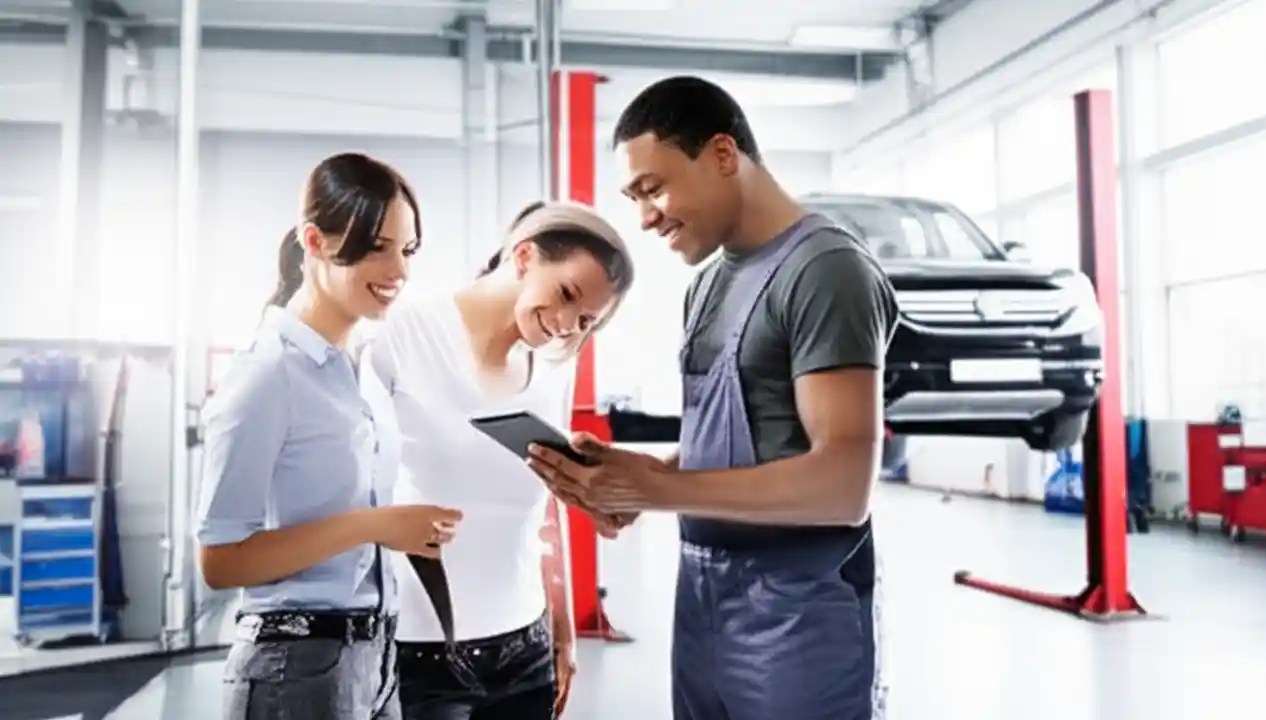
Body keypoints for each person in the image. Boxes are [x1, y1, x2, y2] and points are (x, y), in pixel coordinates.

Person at [527, 76, 899, 720]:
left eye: (654, 188)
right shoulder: (706, 288)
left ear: (723, 155)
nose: (644, 217)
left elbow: (843, 483)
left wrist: (656, 490)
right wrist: (624, 481)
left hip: (800, 613)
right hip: (702, 598)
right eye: (634, 197)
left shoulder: (826, 271)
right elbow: (739, 445)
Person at [196, 152, 464, 720]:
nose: (399, 271)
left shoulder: (357, 368)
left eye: (407, 249)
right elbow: (219, 561)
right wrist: (376, 526)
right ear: (314, 242)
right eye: (376, 247)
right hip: (293, 668)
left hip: (374, 659)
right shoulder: (269, 373)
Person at [364, 200, 635, 720]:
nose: (564, 325)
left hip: (524, 648)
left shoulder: (554, 368)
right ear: (525, 255)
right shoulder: (403, 333)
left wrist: (563, 627)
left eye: (584, 320)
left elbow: (546, 509)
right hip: (420, 649)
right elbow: (353, 490)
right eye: (565, 295)